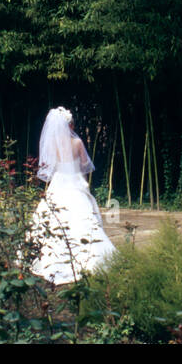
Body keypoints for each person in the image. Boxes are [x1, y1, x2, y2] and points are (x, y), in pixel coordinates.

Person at [27, 107, 116, 285]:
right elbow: (85, 165)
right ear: (70, 125)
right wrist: (83, 181)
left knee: (53, 216)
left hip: (58, 183)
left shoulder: (53, 144)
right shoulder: (77, 143)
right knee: (81, 217)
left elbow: (50, 167)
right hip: (75, 183)